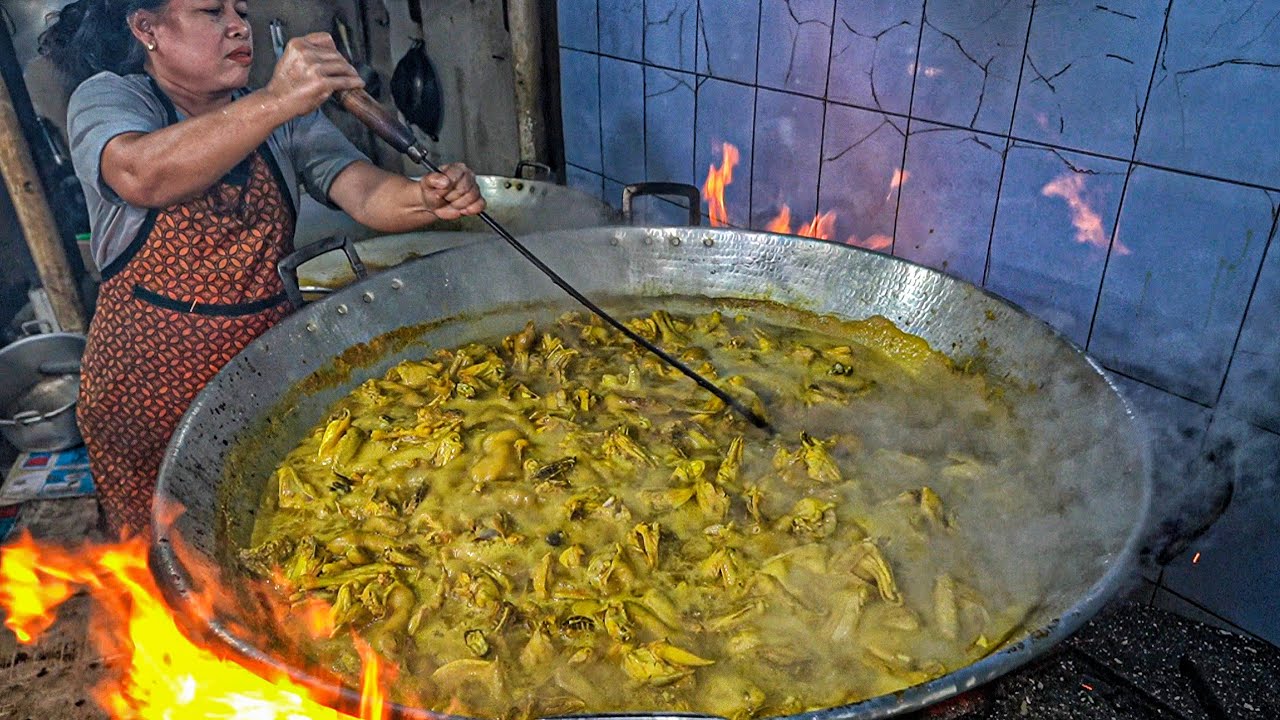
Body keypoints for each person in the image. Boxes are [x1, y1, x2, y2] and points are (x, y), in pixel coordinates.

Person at [43, 0, 486, 537]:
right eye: (211, 12)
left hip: (262, 378)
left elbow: (365, 192)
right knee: (163, 556)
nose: (237, 26)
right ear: (147, 29)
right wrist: (277, 101)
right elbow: (141, 174)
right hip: (146, 395)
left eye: (241, 13)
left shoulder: (280, 118)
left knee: (261, 537)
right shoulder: (113, 99)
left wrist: (426, 196)